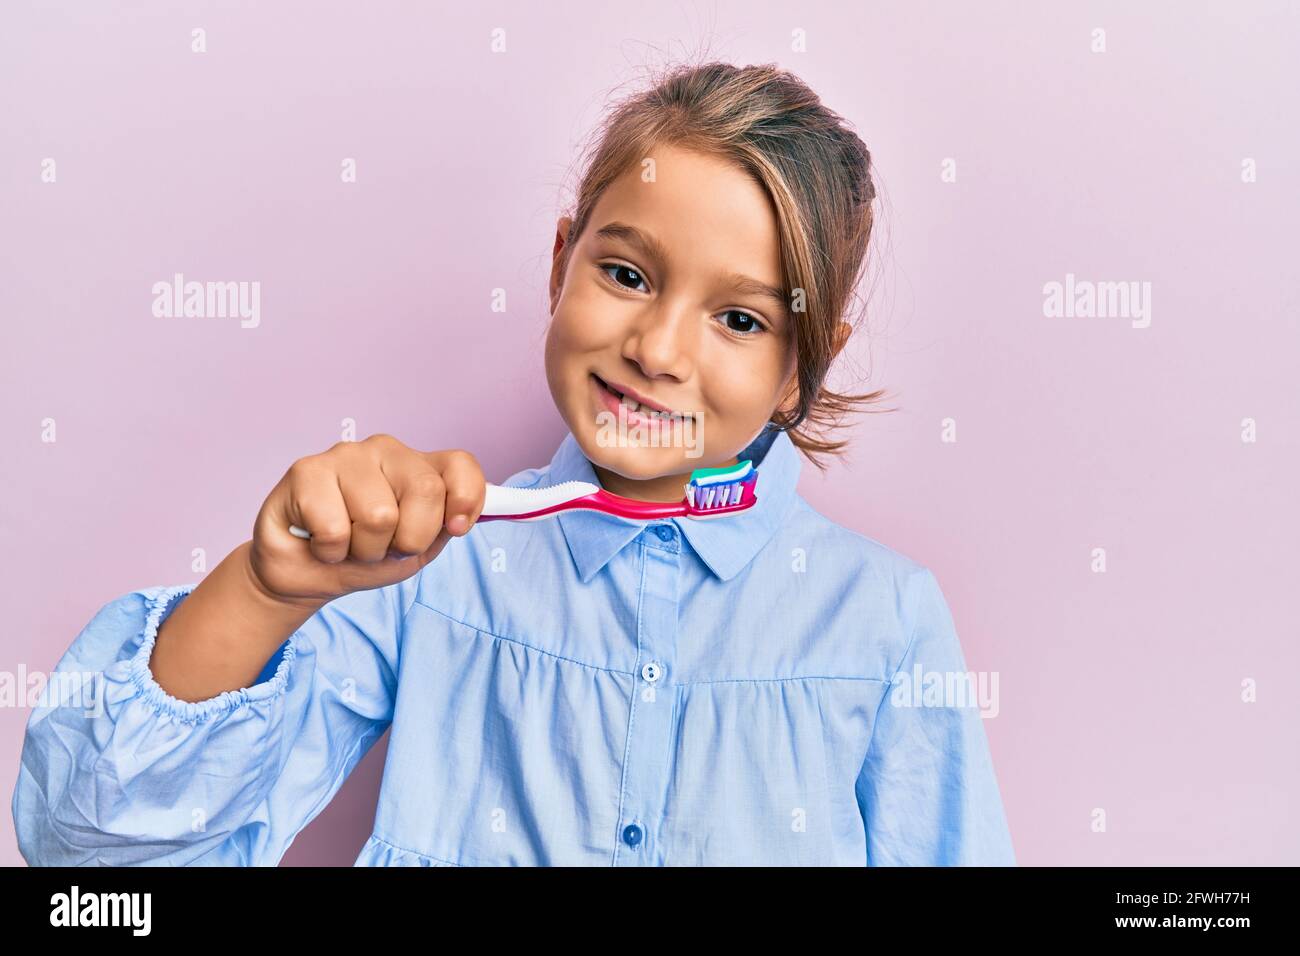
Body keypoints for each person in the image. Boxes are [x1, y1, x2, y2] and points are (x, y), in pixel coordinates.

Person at [12, 61, 1015, 866]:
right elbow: (88, 860)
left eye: (740, 318)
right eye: (625, 273)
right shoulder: (423, 566)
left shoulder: (885, 620)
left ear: (803, 367)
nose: (659, 349)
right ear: (558, 262)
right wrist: (268, 589)